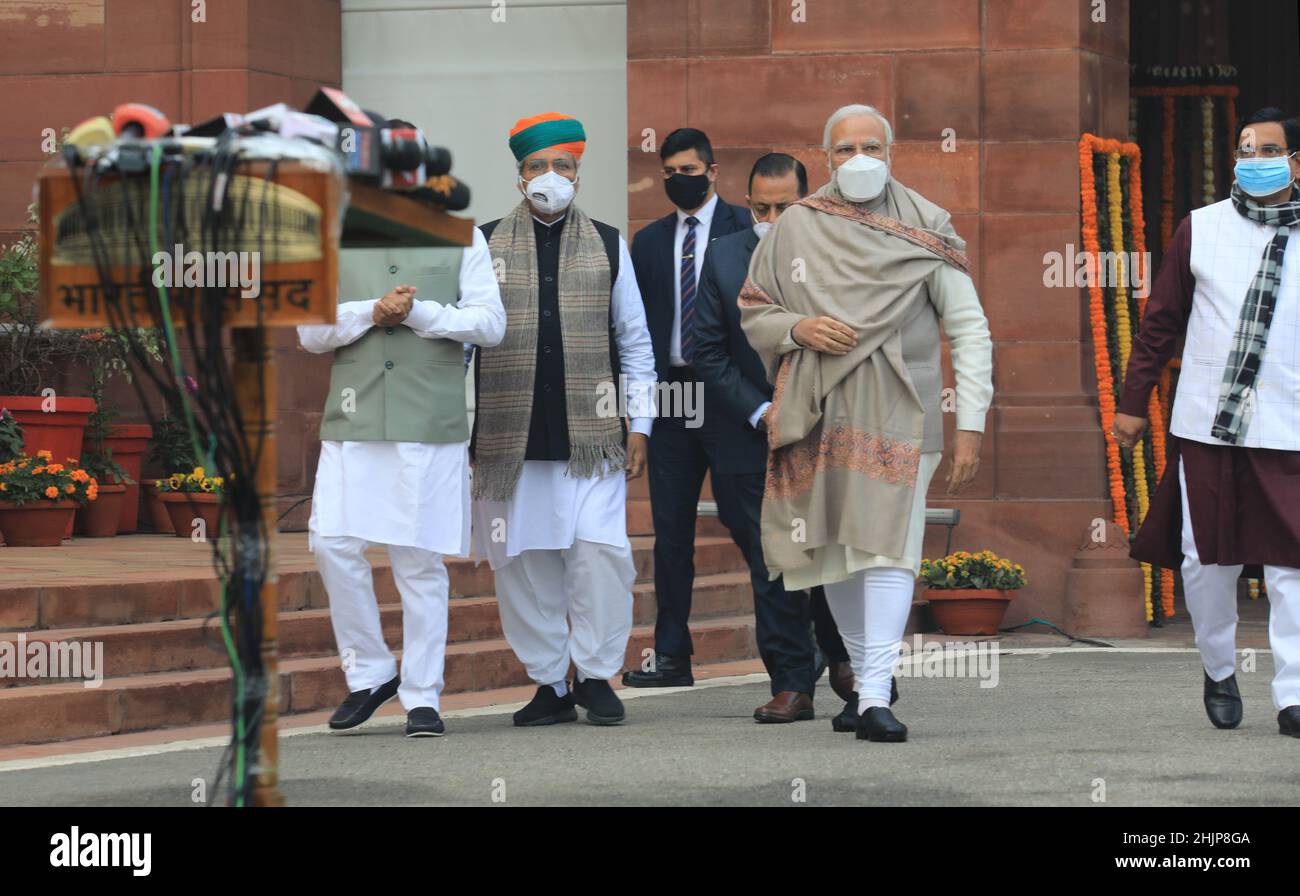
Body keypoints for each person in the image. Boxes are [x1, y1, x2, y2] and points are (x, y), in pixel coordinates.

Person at [738, 104, 993, 743]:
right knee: (837, 556)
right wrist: (798, 328)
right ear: (826, 159)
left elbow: (968, 328)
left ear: (892, 151)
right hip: (819, 412)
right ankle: (860, 692)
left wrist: (971, 425)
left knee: (887, 549)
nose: (859, 159)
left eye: (871, 147)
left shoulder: (929, 227)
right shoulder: (797, 225)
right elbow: (755, 307)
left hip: (901, 414)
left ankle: (875, 695)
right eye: (846, 149)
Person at [298, 119, 506, 737]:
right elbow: (310, 334)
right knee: (330, 542)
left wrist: (420, 313)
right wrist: (371, 310)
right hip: (353, 418)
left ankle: (422, 695)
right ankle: (369, 674)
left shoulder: (460, 236)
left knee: (417, 562)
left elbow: (490, 324)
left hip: (426, 421)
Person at [1115, 107, 1300, 738]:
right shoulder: (1202, 228)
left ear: (1295, 163)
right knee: (1205, 560)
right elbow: (1161, 321)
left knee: (1292, 564)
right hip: (1210, 424)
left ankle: (1293, 693)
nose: (1253, 160)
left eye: (1267, 150)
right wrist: (1133, 401)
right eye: (1244, 150)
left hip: (1290, 422)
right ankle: (1219, 669)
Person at [472, 112, 656, 727]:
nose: (550, 176)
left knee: (600, 555)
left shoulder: (608, 242)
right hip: (508, 439)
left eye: (563, 166)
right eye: (536, 166)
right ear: (519, 176)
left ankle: (598, 675)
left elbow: (634, 342)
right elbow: (462, 342)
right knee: (521, 563)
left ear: (579, 172)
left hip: (593, 439)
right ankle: (550, 683)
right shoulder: (483, 240)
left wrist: (642, 425)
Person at [691, 152, 863, 727]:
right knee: (772, 561)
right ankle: (792, 683)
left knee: (826, 552)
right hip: (749, 434)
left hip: (824, 429)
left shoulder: (837, 252)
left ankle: (842, 656)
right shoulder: (722, 257)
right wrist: (761, 410)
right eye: (759, 207)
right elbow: (705, 351)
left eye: (782, 207)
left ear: (808, 202)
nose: (769, 217)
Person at [624, 127, 754, 688]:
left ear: (714, 169)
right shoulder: (649, 242)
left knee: (747, 522)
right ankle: (672, 656)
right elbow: (632, 331)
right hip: (673, 396)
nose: (679, 180)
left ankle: (798, 646)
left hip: (729, 395)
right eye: (669, 171)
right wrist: (638, 416)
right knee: (670, 531)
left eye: (689, 170)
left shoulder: (747, 227)